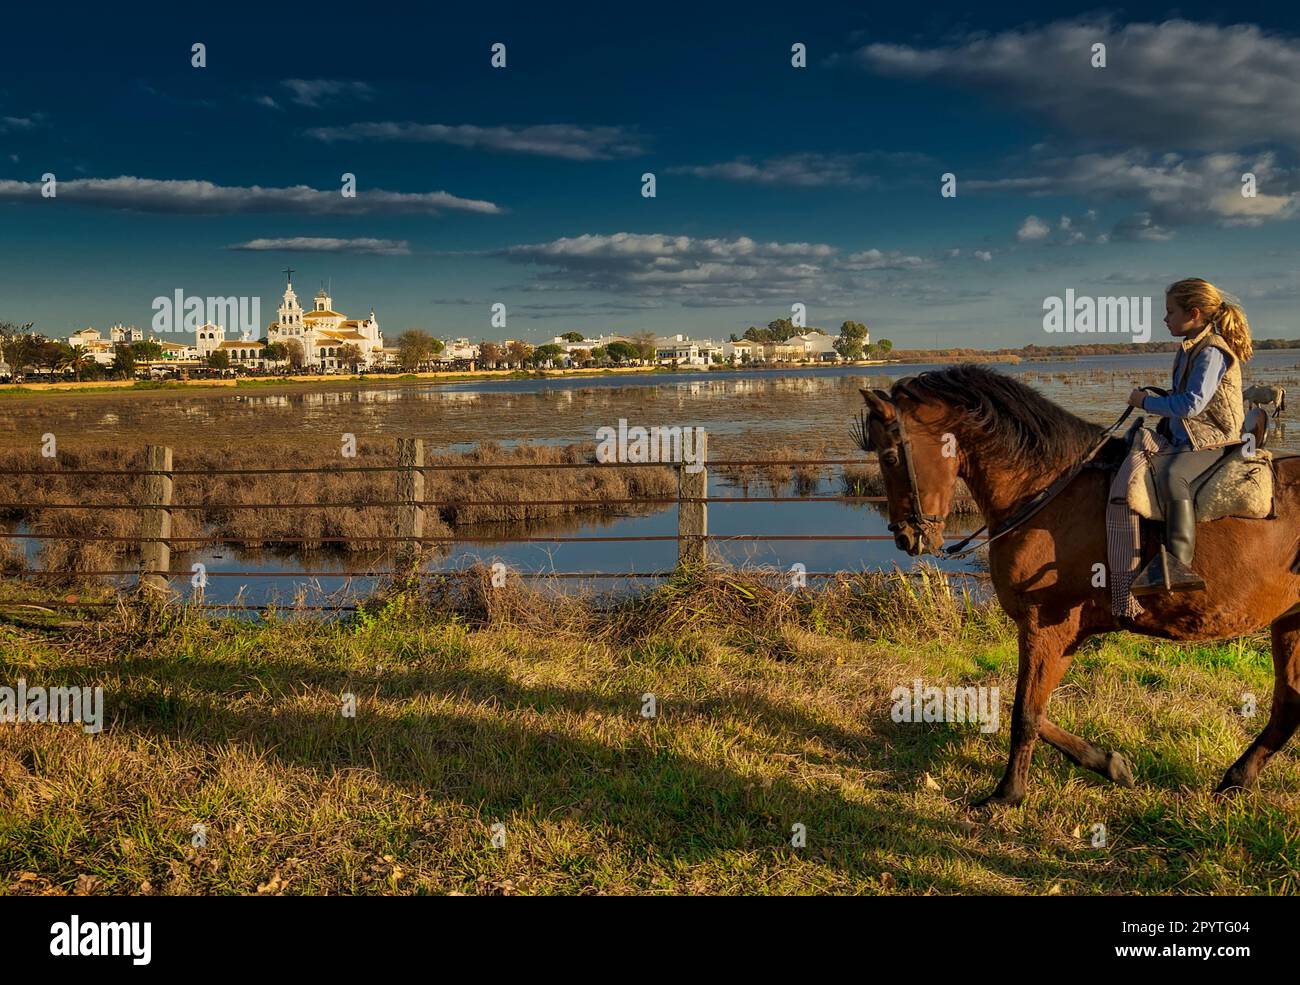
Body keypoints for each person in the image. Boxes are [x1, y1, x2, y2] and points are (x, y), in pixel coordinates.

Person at [1126, 278, 1253, 594]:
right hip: (1189, 435)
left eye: (1170, 312)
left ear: (1193, 314)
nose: (1165, 319)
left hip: (1214, 437)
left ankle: (1177, 566)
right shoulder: (1189, 348)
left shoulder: (1211, 351)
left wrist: (1145, 402)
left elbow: (1192, 405)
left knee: (1173, 476)